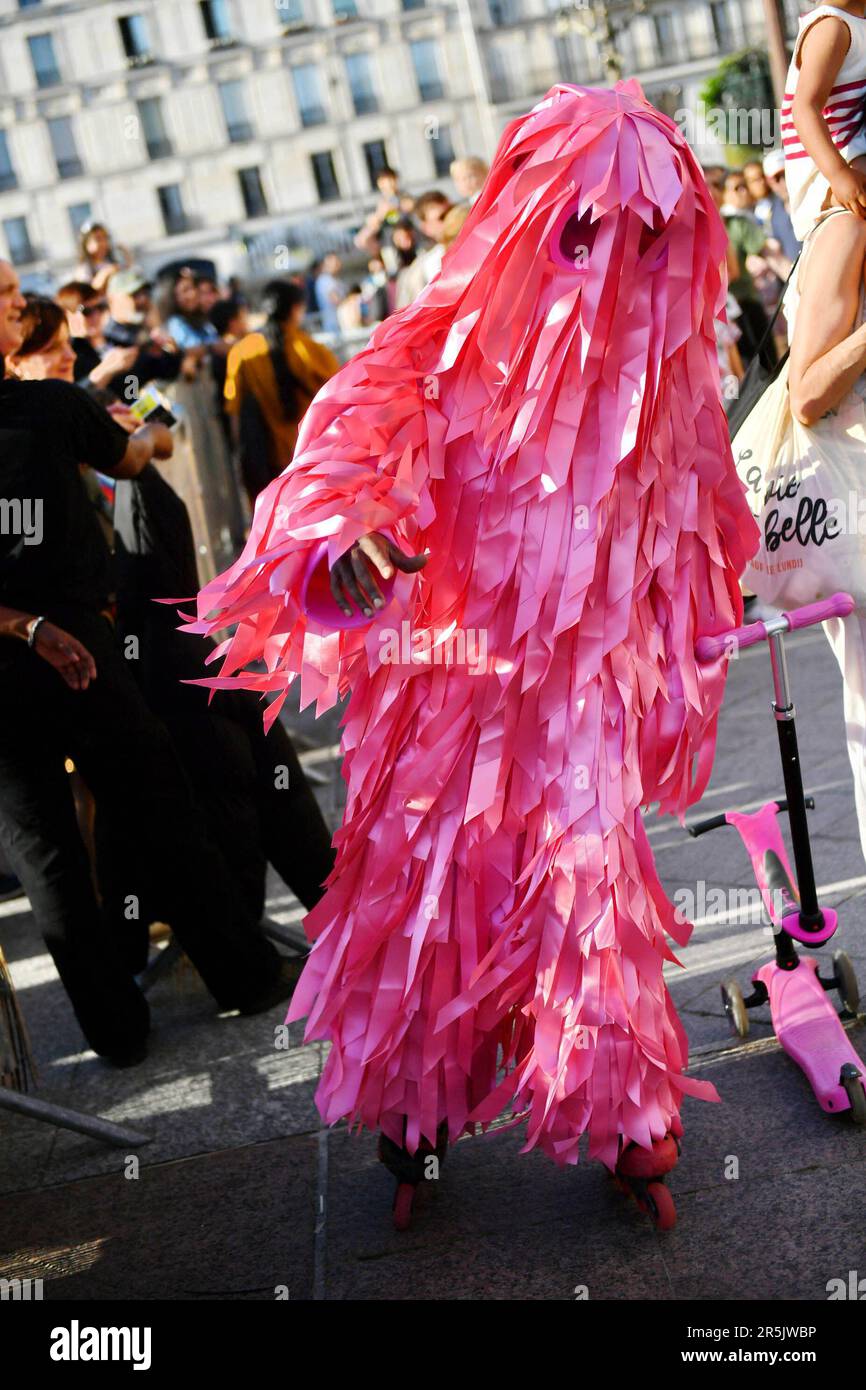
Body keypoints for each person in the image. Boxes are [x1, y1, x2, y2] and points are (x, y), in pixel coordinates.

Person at [189, 84, 758, 1204]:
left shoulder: (669, 385)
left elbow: (694, 522)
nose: (612, 264)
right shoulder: (445, 348)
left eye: (647, 234)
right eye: (586, 229)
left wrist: (688, 644)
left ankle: (623, 1109)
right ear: (534, 218)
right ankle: (416, 1110)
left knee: (590, 884)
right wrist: (340, 532)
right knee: (429, 896)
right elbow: (350, 444)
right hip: (445, 688)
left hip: (583, 689)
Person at [0, 262, 294, 1065]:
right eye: (5, 299)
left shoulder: (64, 399)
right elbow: (138, 455)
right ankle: (241, 973)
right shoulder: (54, 405)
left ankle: (117, 1032)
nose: (27, 314)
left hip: (39, 648)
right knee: (151, 808)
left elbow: (144, 441)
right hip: (80, 645)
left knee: (52, 853)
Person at [224, 279, 338, 503]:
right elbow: (340, 393)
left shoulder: (241, 352)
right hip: (314, 455)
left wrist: (241, 454)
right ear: (296, 309)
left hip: (270, 464)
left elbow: (234, 411)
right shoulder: (308, 348)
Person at [783, 1, 866, 241]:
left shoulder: (852, 23)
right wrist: (838, 173)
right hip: (826, 172)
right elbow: (805, 108)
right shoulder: (832, 26)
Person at [103, 267, 182, 400]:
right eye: (133, 295)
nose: (142, 300)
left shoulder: (144, 331)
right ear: (112, 300)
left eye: (145, 294)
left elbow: (167, 373)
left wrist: (171, 349)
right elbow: (129, 391)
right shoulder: (107, 339)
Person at [56, 280, 140, 394]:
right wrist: (106, 370)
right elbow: (72, 399)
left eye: (100, 307)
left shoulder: (119, 339)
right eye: (87, 311)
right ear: (67, 315)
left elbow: (132, 391)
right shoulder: (68, 357)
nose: (96, 316)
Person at [394, 190, 452, 309]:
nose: (451, 220)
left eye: (451, 212)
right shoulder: (427, 264)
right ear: (426, 227)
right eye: (442, 217)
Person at [761, 148, 802, 262]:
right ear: (769, 182)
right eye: (777, 178)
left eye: (786, 174)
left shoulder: (815, 201)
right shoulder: (769, 216)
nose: (784, 182)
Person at [75, 221, 131, 293]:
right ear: (86, 244)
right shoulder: (84, 270)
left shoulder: (111, 262)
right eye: (98, 239)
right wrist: (106, 273)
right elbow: (88, 293)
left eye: (105, 238)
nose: (103, 243)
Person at [314, 253, 347, 336]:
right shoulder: (324, 280)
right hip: (334, 327)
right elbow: (335, 300)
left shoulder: (336, 280)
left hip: (342, 323)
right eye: (333, 262)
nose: (337, 264)